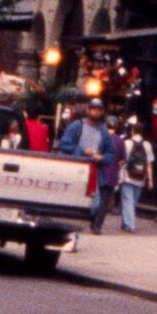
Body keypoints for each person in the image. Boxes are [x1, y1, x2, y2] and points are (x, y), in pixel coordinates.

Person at [57, 99, 123, 234]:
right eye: (93, 109)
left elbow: (111, 152)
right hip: (75, 168)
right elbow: (63, 144)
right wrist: (82, 151)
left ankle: (93, 224)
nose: (96, 112)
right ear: (88, 110)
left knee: (96, 202)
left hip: (94, 170)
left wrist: (102, 157)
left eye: (99, 110)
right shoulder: (77, 126)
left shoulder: (103, 131)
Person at [116, 118, 154, 233]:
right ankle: (124, 222)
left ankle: (130, 225)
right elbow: (149, 164)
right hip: (141, 178)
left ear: (133, 131)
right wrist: (150, 180)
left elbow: (122, 160)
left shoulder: (127, 143)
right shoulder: (147, 145)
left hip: (127, 176)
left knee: (127, 200)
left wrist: (117, 174)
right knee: (132, 202)